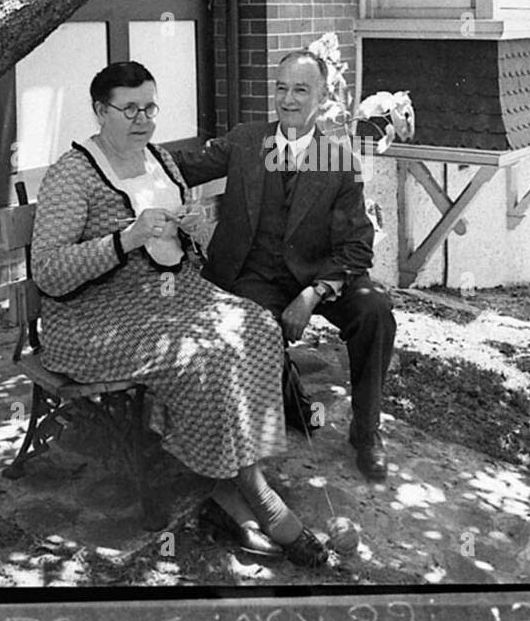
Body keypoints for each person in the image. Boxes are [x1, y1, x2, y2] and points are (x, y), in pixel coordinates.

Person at [30, 61, 327, 566]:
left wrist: (189, 229)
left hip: (174, 297)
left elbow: (179, 245)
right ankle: (253, 492)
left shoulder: (160, 159)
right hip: (95, 317)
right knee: (204, 355)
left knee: (255, 326)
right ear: (101, 111)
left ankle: (229, 470)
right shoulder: (73, 174)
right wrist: (126, 238)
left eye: (150, 106)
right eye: (129, 109)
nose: (142, 119)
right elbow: (49, 272)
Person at [174, 51, 397, 481]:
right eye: (281, 88)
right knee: (253, 324)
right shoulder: (245, 140)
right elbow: (183, 167)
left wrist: (313, 294)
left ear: (322, 97)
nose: (288, 100)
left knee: (375, 309)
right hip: (253, 276)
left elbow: (356, 247)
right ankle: (286, 410)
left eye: (301, 90)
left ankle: (367, 432)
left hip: (316, 276)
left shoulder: (339, 162)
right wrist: (119, 158)